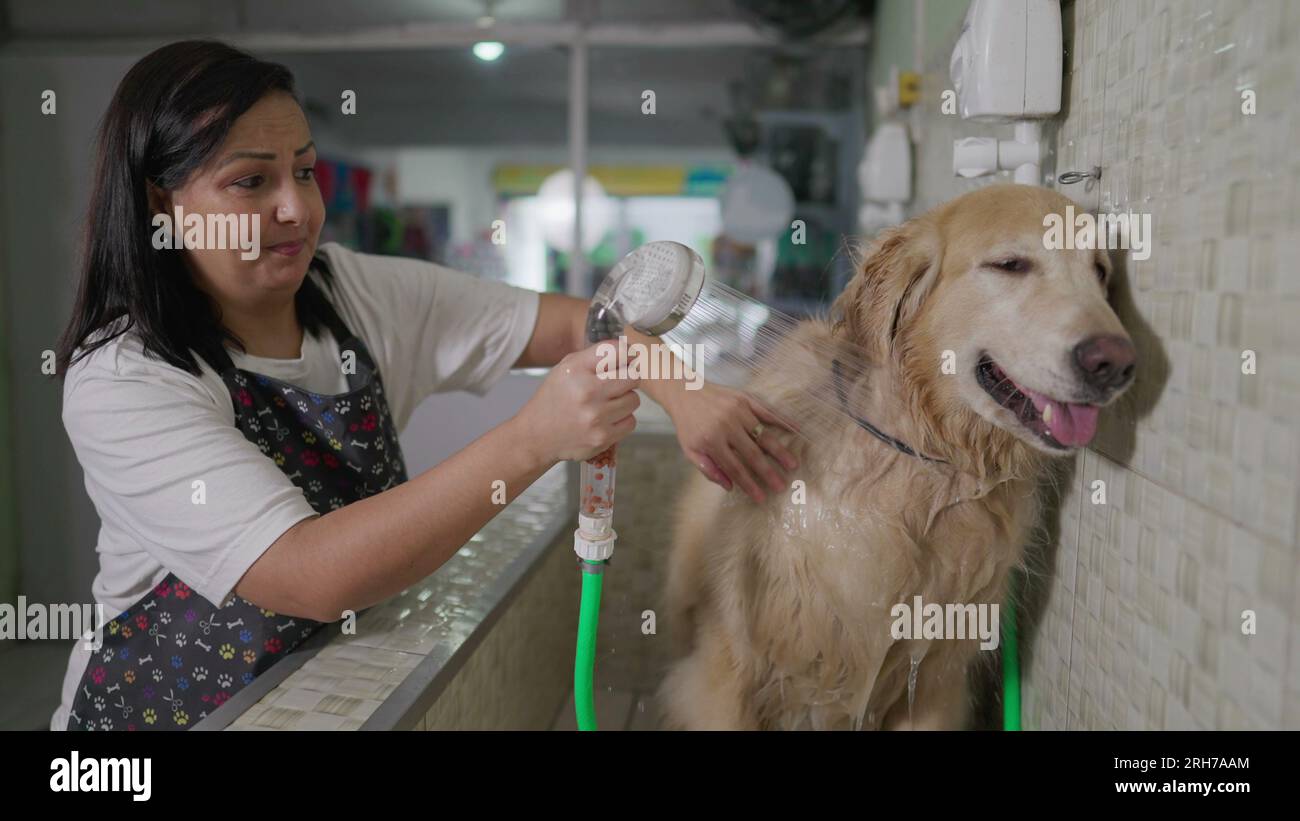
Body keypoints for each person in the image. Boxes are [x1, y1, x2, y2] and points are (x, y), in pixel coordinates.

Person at [50, 40, 799, 731]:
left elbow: (585, 323)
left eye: (304, 172)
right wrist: (532, 439)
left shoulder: (349, 292)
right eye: (252, 181)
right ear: (160, 203)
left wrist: (685, 390)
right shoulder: (125, 377)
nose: (296, 209)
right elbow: (308, 573)